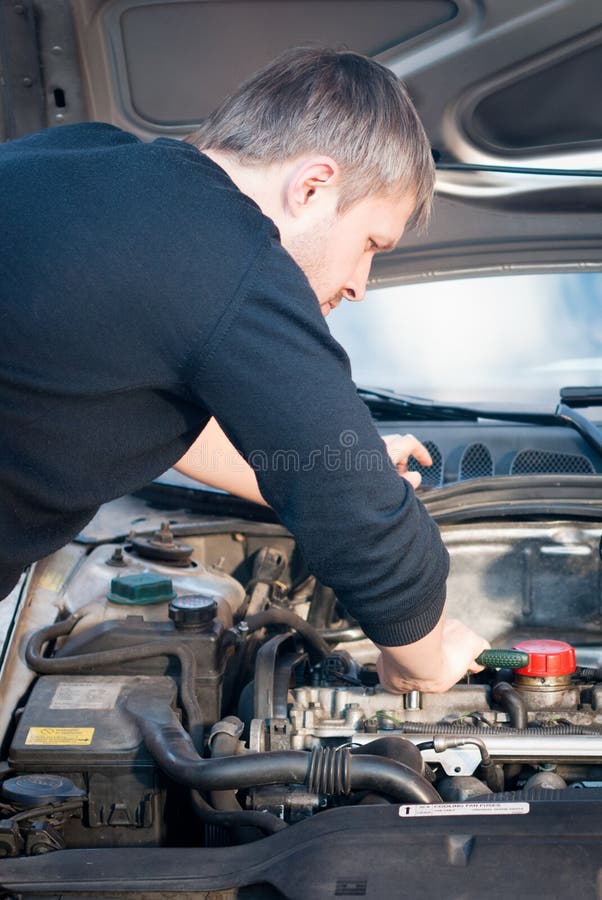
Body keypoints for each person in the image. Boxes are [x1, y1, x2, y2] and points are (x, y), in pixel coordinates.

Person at [0, 46, 488, 692]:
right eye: (371, 244)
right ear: (311, 187)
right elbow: (359, 514)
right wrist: (424, 656)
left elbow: (163, 411)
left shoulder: (93, 159)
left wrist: (329, 456)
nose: (362, 283)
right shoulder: (229, 257)